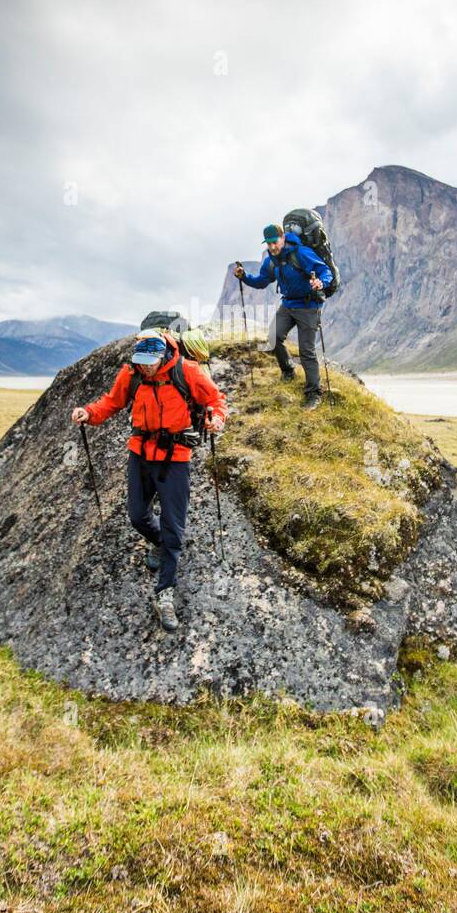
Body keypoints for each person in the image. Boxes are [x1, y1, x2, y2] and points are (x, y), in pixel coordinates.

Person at [71, 332, 226, 632]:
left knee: (173, 526)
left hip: (175, 458)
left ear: (163, 356)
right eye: (140, 363)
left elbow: (216, 400)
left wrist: (217, 419)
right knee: (137, 515)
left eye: (149, 364)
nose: (145, 369)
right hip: (140, 455)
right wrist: (89, 413)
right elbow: (112, 402)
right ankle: (161, 544)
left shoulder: (187, 371)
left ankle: (164, 594)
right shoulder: (132, 373)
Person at [234, 223, 332, 409]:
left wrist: (321, 282)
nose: (272, 246)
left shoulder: (301, 253)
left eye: (274, 242)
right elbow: (262, 282)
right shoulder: (271, 261)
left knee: (306, 351)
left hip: (308, 306)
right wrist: (244, 277)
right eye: (268, 243)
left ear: (283, 238)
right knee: (273, 337)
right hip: (288, 304)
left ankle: (314, 393)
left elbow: (324, 271)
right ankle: (288, 371)